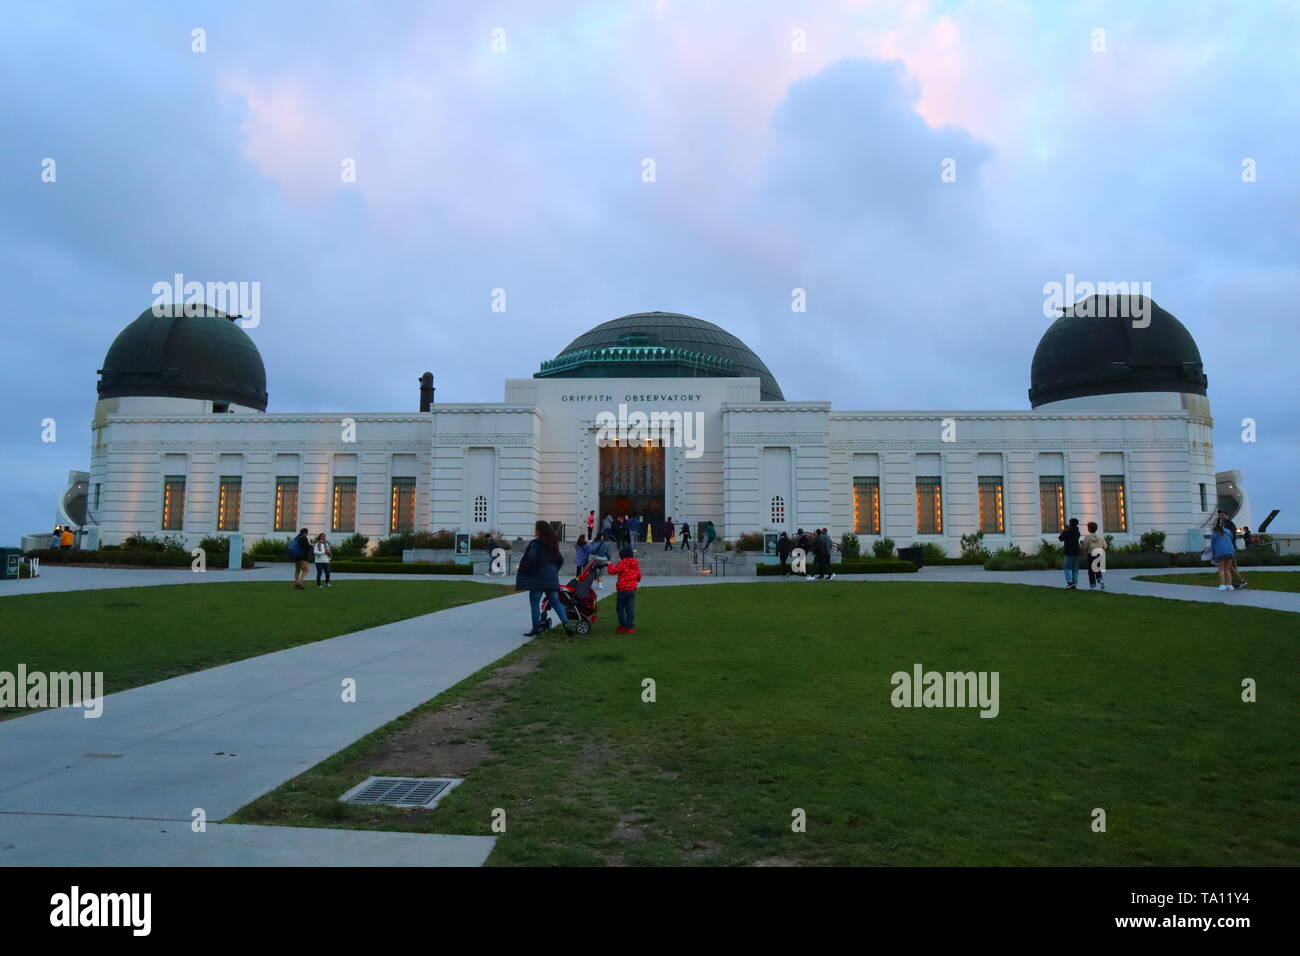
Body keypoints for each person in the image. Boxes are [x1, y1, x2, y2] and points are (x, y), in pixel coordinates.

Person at [516, 520, 574, 636]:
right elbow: (560, 560)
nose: (535, 531)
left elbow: (532, 558)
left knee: (535, 603)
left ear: (540, 531)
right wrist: (554, 571)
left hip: (538, 578)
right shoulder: (553, 544)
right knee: (556, 602)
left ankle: (536, 628)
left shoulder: (535, 544)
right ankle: (567, 626)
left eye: (536, 529)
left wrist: (529, 570)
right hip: (551, 578)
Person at [607, 544, 643, 634]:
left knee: (620, 608)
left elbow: (613, 571)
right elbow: (639, 577)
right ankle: (630, 627)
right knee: (630, 609)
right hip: (631, 590)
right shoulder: (635, 563)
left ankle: (622, 626)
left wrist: (609, 564)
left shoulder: (622, 562)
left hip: (622, 589)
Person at [1217, 510, 1247, 589]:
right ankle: (1236, 583)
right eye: (1220, 515)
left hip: (1229, 548)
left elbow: (1227, 537)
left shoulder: (1228, 524)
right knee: (1230, 566)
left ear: (1227, 515)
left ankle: (1240, 581)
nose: (1221, 517)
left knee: (1230, 566)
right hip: (1229, 548)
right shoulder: (1226, 524)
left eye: (1222, 515)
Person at [1210, 513, 1238, 591]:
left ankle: (1222, 585)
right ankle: (1230, 585)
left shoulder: (1215, 533)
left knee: (1221, 569)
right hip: (1230, 551)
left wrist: (1213, 554)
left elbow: (1213, 544)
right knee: (1227, 569)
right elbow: (1231, 538)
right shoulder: (1228, 531)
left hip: (1221, 552)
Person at [1079, 521, 1106, 590]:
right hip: (1099, 554)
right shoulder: (1100, 537)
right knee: (1097, 568)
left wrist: (1083, 549)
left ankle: (1092, 584)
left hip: (1091, 554)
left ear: (1089, 529)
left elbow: (1084, 547)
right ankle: (1100, 580)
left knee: (1091, 570)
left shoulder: (1087, 537)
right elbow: (1105, 546)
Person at [1058, 518, 1081, 589]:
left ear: (1070, 524)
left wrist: (1064, 530)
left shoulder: (1066, 532)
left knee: (1066, 568)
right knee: (1075, 569)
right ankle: (1074, 583)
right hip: (1076, 552)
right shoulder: (1078, 532)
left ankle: (1070, 581)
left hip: (1068, 552)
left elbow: (1060, 539)